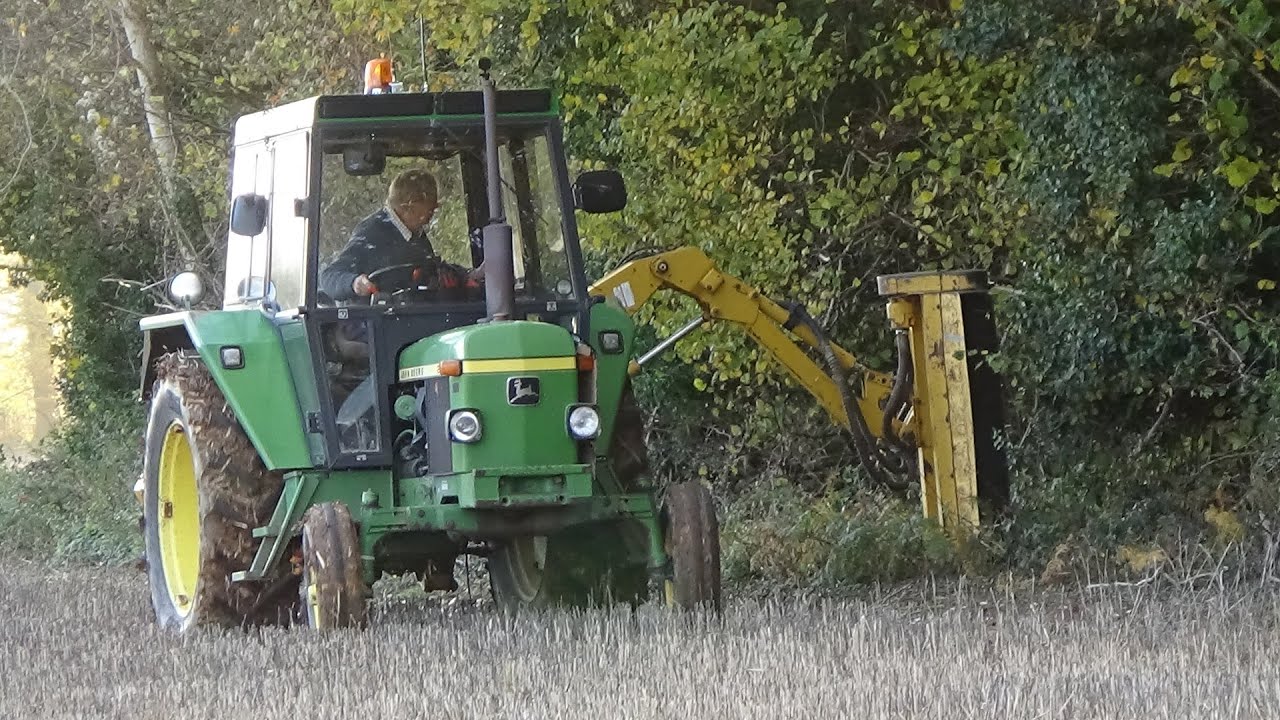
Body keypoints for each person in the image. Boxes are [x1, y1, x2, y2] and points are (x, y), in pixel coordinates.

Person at [319, 169, 442, 302]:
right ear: (410, 206)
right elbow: (329, 276)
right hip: (371, 319)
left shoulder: (416, 235)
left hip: (410, 314)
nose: (432, 213)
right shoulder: (371, 233)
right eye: (430, 208)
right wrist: (355, 283)